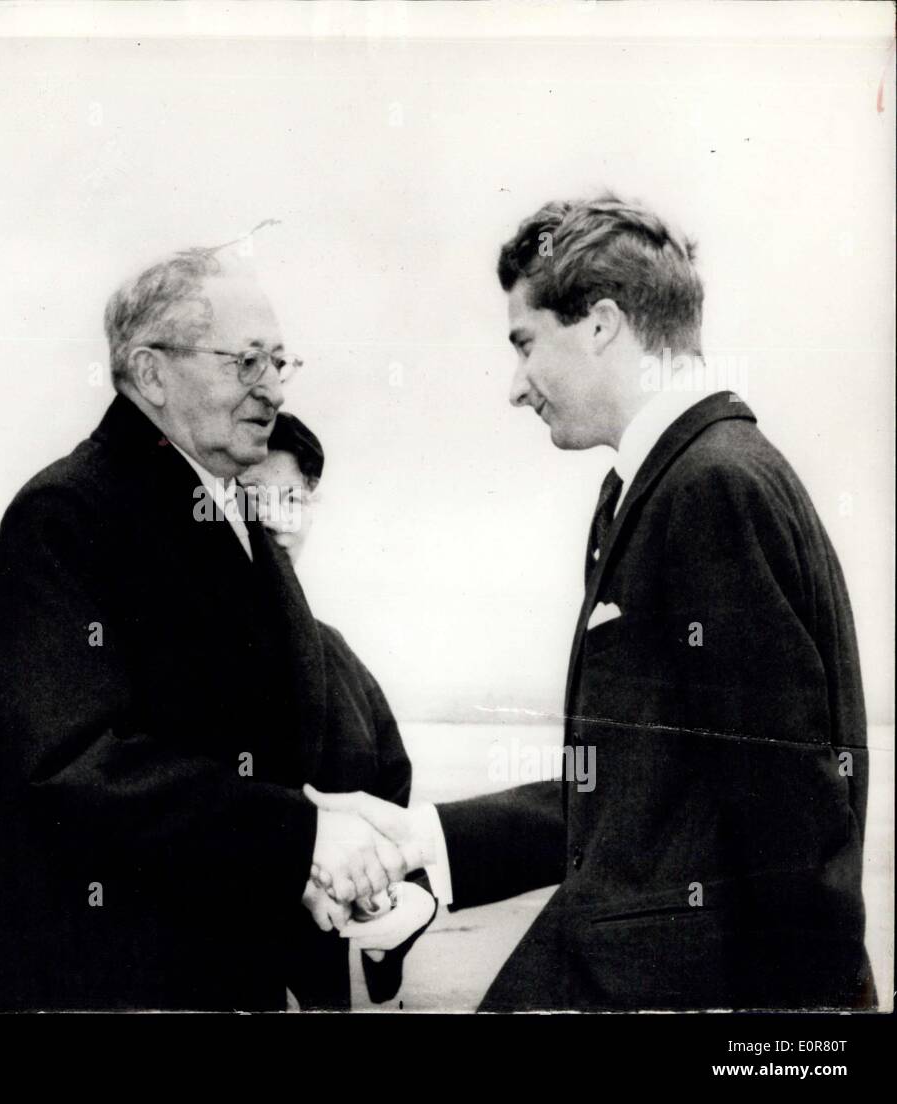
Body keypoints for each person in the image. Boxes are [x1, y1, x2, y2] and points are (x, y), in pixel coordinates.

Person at [308, 194, 874, 1011]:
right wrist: (421, 838)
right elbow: (633, 795)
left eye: (524, 342)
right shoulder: (658, 486)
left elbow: (790, 817)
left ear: (602, 323)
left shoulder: (711, 487)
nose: (516, 386)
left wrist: (804, 1058)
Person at [0, 248, 405, 1011]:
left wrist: (311, 856)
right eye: (246, 362)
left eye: (280, 363)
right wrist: (301, 838)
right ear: (150, 373)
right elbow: (71, 764)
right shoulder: (68, 516)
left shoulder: (232, 517)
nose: (273, 388)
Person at [239, 413, 437, 1008]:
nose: (274, 518)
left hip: (320, 984)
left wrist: (393, 911)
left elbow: (391, 792)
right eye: (251, 497)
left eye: (292, 498)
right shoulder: (169, 645)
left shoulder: (337, 656)